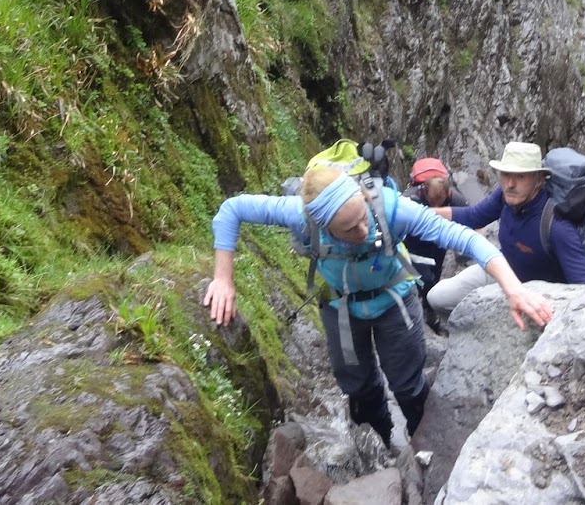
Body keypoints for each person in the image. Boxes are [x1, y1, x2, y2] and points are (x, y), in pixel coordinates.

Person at [203, 162, 553, 446]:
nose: (363, 229)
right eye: (350, 228)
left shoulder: (390, 207)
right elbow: (230, 210)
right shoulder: (300, 215)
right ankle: (381, 441)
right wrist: (223, 278)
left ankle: (421, 443)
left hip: (393, 300)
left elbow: (461, 236)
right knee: (356, 385)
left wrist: (512, 288)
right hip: (341, 307)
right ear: (323, 226)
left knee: (407, 383)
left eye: (362, 217)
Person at [426, 141, 585, 316]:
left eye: (521, 176)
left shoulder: (556, 225)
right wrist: (422, 214)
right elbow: (474, 216)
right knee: (437, 297)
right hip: (500, 267)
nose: (510, 184)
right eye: (506, 174)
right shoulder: (505, 196)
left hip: (535, 292)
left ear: (539, 180)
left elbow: (584, 289)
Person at [401, 157, 466, 332]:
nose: (438, 205)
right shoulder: (410, 198)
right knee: (424, 280)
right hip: (413, 243)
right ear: (424, 190)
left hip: (438, 241)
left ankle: (429, 312)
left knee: (435, 278)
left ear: (447, 193)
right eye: (433, 201)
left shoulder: (454, 197)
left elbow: (470, 214)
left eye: (441, 201)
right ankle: (417, 312)